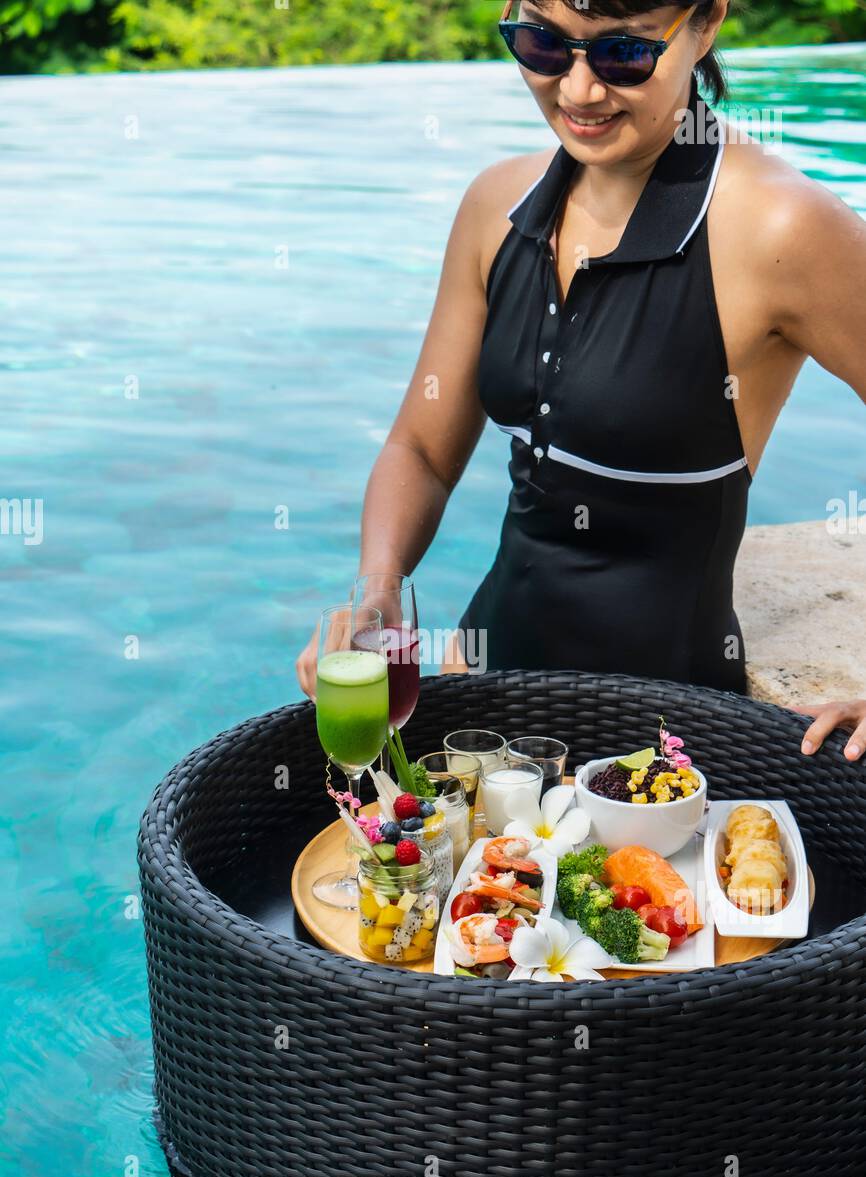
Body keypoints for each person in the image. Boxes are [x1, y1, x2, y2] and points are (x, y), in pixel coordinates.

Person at [296, 1, 866, 762]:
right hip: (482, 698)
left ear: (706, 25)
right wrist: (377, 594)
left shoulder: (780, 228)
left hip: (666, 743)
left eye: (623, 56)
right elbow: (422, 449)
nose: (579, 91)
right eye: (543, 46)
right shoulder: (496, 206)